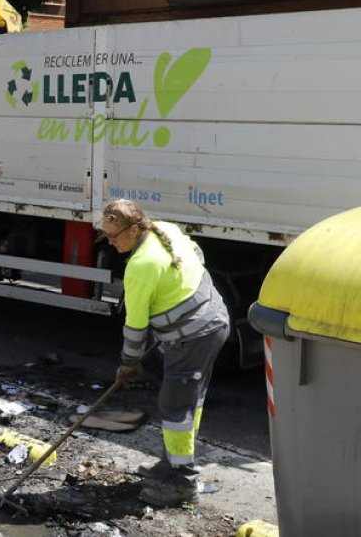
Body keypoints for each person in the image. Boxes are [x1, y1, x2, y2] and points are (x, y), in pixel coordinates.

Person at [100, 198, 229, 506]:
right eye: (105, 235)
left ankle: (184, 484)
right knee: (189, 400)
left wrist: (128, 365)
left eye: (114, 235)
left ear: (133, 230)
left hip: (194, 336)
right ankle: (172, 463)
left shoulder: (141, 266)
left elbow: (135, 327)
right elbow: (197, 255)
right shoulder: (164, 229)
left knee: (174, 408)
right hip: (211, 322)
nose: (109, 242)